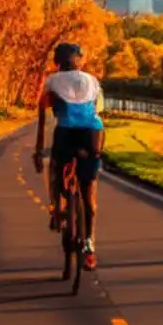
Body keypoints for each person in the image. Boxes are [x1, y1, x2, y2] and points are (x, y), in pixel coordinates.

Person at [32, 42, 105, 271]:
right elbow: (98, 110)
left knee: (55, 167)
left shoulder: (52, 81)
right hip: (92, 133)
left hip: (65, 134)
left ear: (57, 63)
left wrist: (38, 149)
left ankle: (55, 211)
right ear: (79, 61)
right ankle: (90, 246)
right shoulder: (92, 80)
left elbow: (42, 115)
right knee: (89, 192)